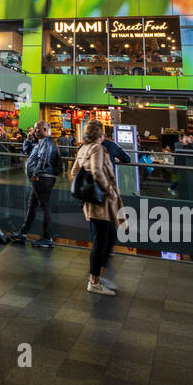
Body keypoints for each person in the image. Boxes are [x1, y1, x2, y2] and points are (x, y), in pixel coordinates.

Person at [71, 119, 124, 296]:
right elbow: (97, 172)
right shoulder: (98, 148)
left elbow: (73, 172)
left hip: (91, 201)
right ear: (99, 134)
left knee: (107, 236)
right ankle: (94, 281)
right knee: (102, 240)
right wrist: (109, 191)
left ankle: (97, 276)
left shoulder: (82, 149)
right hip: (100, 202)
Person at [10, 119, 63, 247]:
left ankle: (47, 238)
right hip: (41, 178)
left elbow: (43, 159)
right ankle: (23, 233)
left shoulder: (46, 142)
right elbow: (27, 152)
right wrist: (28, 140)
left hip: (42, 178)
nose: (34, 131)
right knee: (32, 205)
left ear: (44, 130)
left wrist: (35, 174)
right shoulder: (41, 142)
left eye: (37, 129)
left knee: (44, 206)